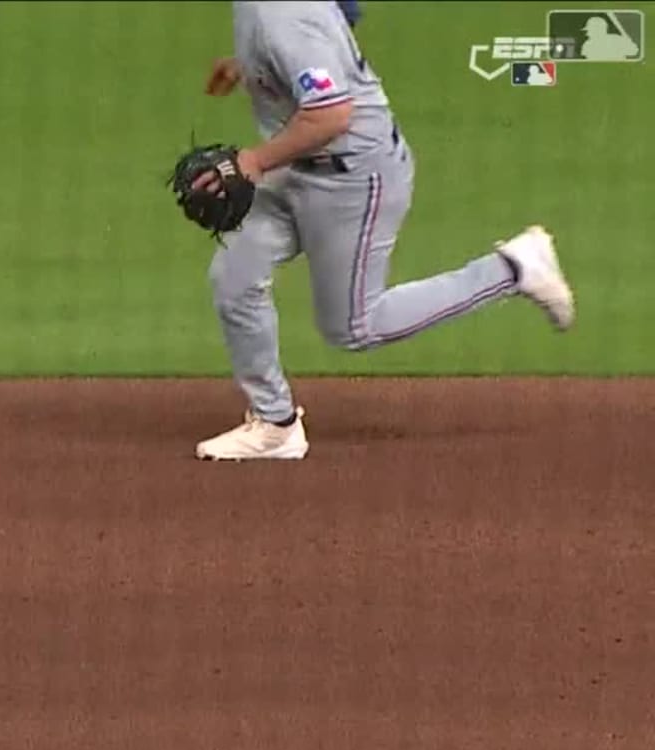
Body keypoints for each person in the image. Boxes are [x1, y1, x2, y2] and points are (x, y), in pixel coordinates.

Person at [193, 1, 574, 461]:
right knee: (235, 275)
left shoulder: (282, 14)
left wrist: (253, 161)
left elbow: (332, 115)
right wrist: (252, 67)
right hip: (297, 169)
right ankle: (275, 424)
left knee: (354, 328)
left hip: (354, 178)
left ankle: (514, 269)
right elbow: (343, 13)